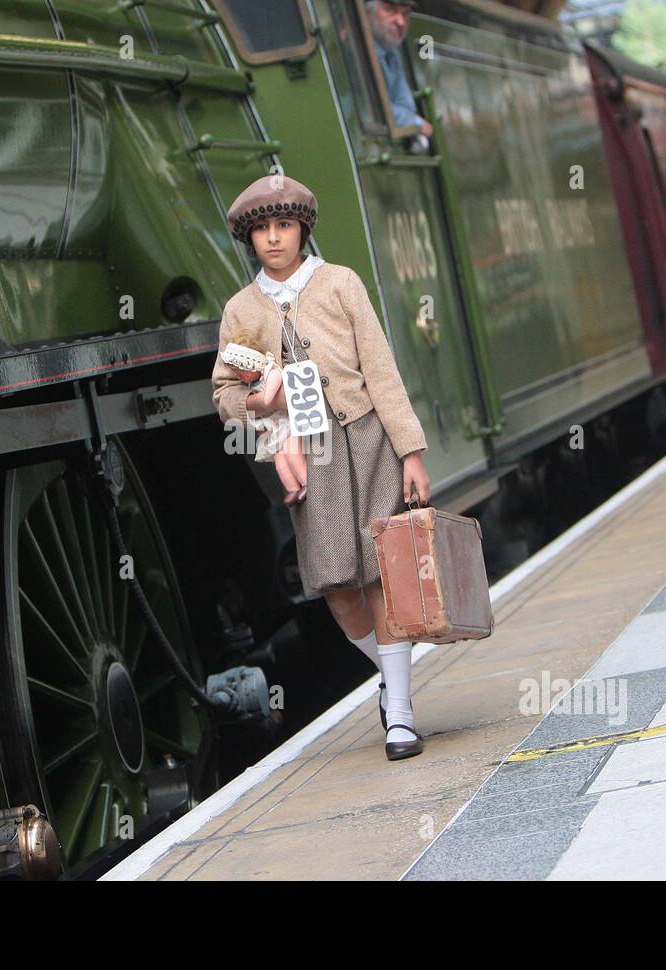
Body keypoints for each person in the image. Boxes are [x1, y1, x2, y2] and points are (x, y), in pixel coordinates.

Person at [211, 174, 432, 761]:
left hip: (368, 437)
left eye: (284, 226)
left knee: (382, 572)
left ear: (303, 229)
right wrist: (260, 402)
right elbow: (223, 394)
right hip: (309, 455)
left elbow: (381, 369)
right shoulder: (240, 311)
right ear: (249, 240)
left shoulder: (340, 284)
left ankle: (402, 713)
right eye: (261, 230)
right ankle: (393, 673)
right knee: (337, 584)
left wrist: (411, 450)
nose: (274, 239)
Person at [367, 1, 432, 143]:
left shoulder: (391, 54)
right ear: (367, 13)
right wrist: (417, 123)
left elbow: (406, 106)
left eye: (405, 13)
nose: (401, 22)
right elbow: (368, 106)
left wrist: (411, 120)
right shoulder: (355, 49)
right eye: (390, 10)